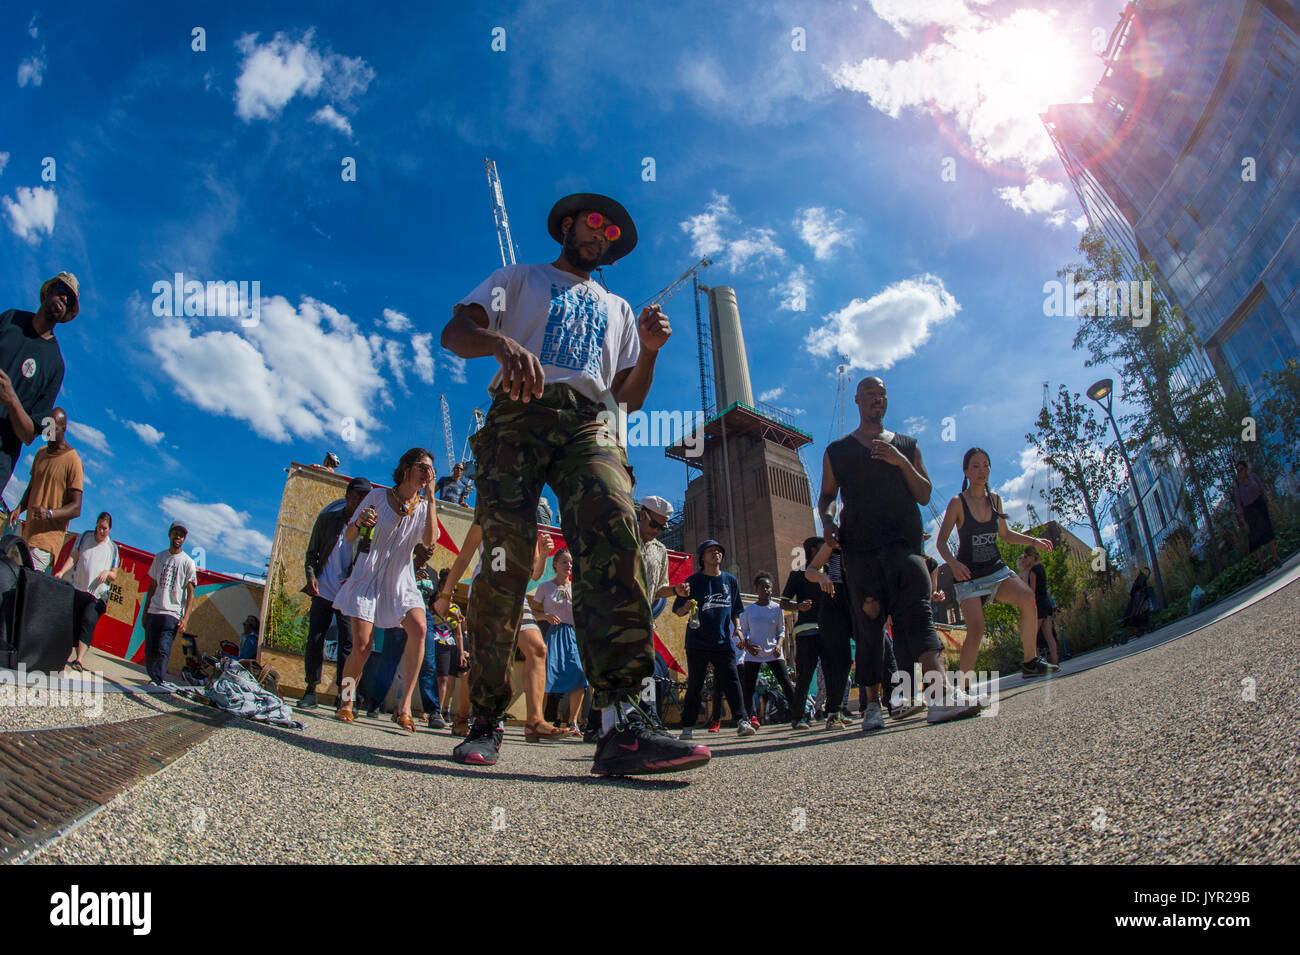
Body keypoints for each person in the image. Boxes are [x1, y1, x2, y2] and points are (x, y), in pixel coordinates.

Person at [440, 191, 708, 776]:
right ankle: (484, 720)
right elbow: (455, 334)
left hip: (591, 424)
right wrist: (499, 342)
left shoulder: (617, 308)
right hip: (519, 410)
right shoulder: (520, 277)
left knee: (615, 535)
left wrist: (652, 352)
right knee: (506, 561)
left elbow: (628, 401)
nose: (602, 233)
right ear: (566, 225)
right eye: (593, 221)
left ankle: (622, 724)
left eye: (612, 232)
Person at [819, 377, 981, 724]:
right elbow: (827, 497)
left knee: (920, 611)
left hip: (904, 546)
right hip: (860, 550)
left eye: (881, 395)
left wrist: (899, 461)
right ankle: (873, 705)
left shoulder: (907, 445)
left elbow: (923, 493)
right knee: (869, 624)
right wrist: (828, 522)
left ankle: (939, 697)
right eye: (869, 395)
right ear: (858, 402)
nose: (876, 399)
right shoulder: (838, 451)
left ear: (886, 401)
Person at [434, 510, 567, 743]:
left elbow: (533, 574)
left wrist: (544, 554)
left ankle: (534, 721)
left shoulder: (529, 526)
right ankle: (462, 717)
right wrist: (446, 595)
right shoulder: (487, 514)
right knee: (482, 662)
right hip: (486, 594)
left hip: (515, 596)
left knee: (537, 649)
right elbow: (464, 557)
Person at [331, 449, 438, 733]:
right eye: (422, 467)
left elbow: (429, 541)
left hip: (400, 580)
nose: (427, 473)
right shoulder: (377, 498)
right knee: (363, 647)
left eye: (431, 470)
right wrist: (359, 522)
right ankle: (345, 701)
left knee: (419, 627)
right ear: (406, 468)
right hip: (367, 578)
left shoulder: (424, 509)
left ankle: (403, 708)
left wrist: (431, 498)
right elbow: (350, 536)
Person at [936, 448, 1056, 684]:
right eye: (976, 466)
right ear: (967, 471)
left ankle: (1030, 661)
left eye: (986, 465)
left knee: (1027, 598)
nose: (982, 470)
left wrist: (1034, 541)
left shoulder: (995, 500)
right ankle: (963, 687)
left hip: (996, 571)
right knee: (977, 628)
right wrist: (953, 564)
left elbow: (1006, 534)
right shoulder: (957, 503)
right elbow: (940, 543)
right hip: (969, 576)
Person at [0, 272, 78, 496]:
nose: (64, 300)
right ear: (49, 290)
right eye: (63, 291)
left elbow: (28, 435)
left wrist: (12, 400)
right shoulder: (10, 319)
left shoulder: (55, 365)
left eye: (70, 300)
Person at [298, 476, 372, 709]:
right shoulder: (327, 520)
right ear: (348, 495)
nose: (362, 500)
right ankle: (311, 689)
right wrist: (311, 576)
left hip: (347, 595)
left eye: (366, 497)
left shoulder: (368, 529)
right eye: (359, 495)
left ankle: (345, 697)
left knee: (349, 646)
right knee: (316, 639)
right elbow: (312, 554)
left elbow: (368, 558)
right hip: (323, 590)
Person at [673, 540, 755, 739]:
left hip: (722, 641)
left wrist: (739, 629)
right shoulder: (693, 581)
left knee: (732, 680)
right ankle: (688, 727)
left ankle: (742, 721)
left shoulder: (730, 581)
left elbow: (736, 610)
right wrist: (685, 607)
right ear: (702, 557)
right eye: (711, 551)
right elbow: (677, 610)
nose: (716, 553)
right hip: (697, 641)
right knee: (695, 684)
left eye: (719, 550)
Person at [803, 541, 877, 729]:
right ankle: (833, 712)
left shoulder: (865, 542)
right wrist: (822, 577)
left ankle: (873, 705)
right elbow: (810, 571)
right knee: (839, 659)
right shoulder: (833, 544)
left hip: (860, 600)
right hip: (834, 601)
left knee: (871, 647)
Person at [8, 407, 83, 571]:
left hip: (47, 540)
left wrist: (50, 513)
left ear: (64, 429)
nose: (48, 432)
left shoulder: (73, 460)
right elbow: (32, 486)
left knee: (26, 585)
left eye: (53, 428)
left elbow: (76, 508)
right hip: (28, 533)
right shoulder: (41, 454)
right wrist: (19, 508)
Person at [533, 548, 589, 735]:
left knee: (579, 675)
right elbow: (532, 611)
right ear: (555, 564)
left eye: (571, 562)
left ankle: (573, 722)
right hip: (553, 634)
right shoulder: (545, 587)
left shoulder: (576, 588)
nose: (569, 565)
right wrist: (545, 616)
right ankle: (538, 719)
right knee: (546, 678)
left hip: (572, 636)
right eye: (564, 561)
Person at [56, 511, 119, 672]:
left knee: (88, 621)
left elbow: (114, 574)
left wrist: (107, 574)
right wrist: (62, 572)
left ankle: (79, 659)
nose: (100, 531)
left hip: (96, 595)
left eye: (104, 528)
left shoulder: (112, 549)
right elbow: (74, 557)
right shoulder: (85, 537)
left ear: (109, 529)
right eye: (98, 527)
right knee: (73, 621)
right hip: (78, 587)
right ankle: (64, 653)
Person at [737, 572, 796, 727]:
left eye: (768, 587)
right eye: (762, 587)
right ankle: (748, 719)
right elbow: (742, 631)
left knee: (786, 683)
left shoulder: (777, 608)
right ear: (756, 589)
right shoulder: (748, 610)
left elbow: (781, 631)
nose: (766, 590)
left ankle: (798, 715)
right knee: (749, 688)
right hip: (753, 654)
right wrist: (748, 646)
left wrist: (778, 645)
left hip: (773, 652)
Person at [142, 522, 198, 684]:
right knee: (150, 650)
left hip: (172, 614)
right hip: (154, 610)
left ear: (184, 539)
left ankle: (157, 680)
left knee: (163, 649)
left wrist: (185, 619)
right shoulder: (159, 557)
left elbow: (191, 593)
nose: (178, 537)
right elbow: (152, 586)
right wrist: (145, 612)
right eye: (176, 533)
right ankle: (153, 678)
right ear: (170, 534)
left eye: (182, 535)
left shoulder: (188, 562)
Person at [1235, 459, 1280, 573]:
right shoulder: (1238, 487)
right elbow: (1239, 505)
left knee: (1268, 532)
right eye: (1238, 470)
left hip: (1259, 505)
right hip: (1249, 511)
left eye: (1241, 469)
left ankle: (1275, 558)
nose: (1240, 472)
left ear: (1246, 469)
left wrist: (1268, 504)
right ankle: (1263, 566)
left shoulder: (1253, 477)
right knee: (1255, 539)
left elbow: (1262, 490)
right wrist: (1244, 521)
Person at [1019, 547, 1060, 666]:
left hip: (1038, 604)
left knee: (1031, 635)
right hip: (1046, 603)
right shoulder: (1041, 568)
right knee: (1049, 635)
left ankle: (1034, 662)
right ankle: (1055, 659)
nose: (1025, 559)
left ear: (1032, 557)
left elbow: (1032, 590)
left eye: (1026, 557)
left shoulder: (1033, 571)